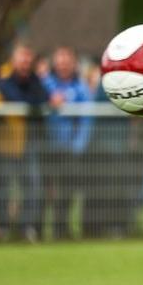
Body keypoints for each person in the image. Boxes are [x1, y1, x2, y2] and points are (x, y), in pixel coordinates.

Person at [0, 44, 49, 241]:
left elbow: (42, 98)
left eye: (28, 59)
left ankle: (26, 227)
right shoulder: (3, 77)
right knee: (3, 187)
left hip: (27, 142)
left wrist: (30, 103)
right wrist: (30, 103)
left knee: (32, 185)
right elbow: (15, 96)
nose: (25, 62)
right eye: (22, 58)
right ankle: (4, 228)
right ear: (14, 59)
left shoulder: (35, 80)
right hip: (6, 143)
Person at [42, 46, 94, 240]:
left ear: (73, 63)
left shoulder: (80, 87)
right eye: (60, 60)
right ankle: (35, 231)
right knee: (41, 191)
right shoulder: (45, 84)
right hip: (46, 149)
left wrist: (78, 146)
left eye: (67, 61)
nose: (63, 65)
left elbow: (86, 119)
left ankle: (62, 229)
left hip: (70, 150)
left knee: (67, 192)